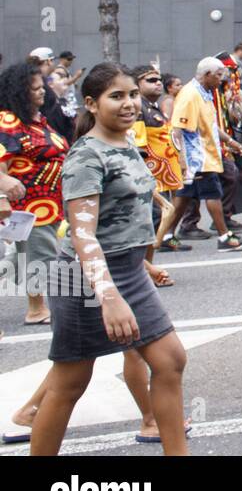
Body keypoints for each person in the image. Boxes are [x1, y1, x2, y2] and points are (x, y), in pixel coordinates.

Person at [29, 63, 189, 455]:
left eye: (132, 94)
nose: (129, 103)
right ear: (91, 103)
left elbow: (118, 221)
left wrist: (143, 263)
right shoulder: (86, 157)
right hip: (84, 279)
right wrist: (109, 297)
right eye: (116, 96)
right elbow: (83, 236)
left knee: (169, 360)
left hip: (126, 270)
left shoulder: (124, 142)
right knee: (70, 382)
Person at [0, 62, 69, 326]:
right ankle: (36, 309)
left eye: (42, 87)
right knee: (41, 255)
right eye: (35, 89)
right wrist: (3, 193)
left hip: (49, 201)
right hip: (30, 204)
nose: (42, 92)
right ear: (19, 91)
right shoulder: (9, 121)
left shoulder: (37, 121)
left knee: (22, 257)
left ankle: (38, 305)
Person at [168, 58, 242, 252]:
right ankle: (224, 237)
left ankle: (166, 235)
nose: (221, 80)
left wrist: (230, 141)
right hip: (197, 158)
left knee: (183, 198)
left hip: (204, 156)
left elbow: (210, 126)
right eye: (218, 75)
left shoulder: (204, 93)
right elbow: (177, 129)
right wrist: (181, 159)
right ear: (207, 75)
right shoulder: (190, 95)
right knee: (213, 193)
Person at [131, 65, 187, 255]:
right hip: (152, 178)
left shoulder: (152, 107)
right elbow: (138, 147)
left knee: (157, 221)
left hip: (165, 177)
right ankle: (145, 269)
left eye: (159, 80)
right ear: (137, 84)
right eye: (151, 80)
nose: (158, 83)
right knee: (151, 221)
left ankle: (149, 265)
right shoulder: (139, 108)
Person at [42, 65, 78, 143]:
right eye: (60, 78)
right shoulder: (50, 108)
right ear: (50, 84)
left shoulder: (63, 101)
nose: (65, 80)